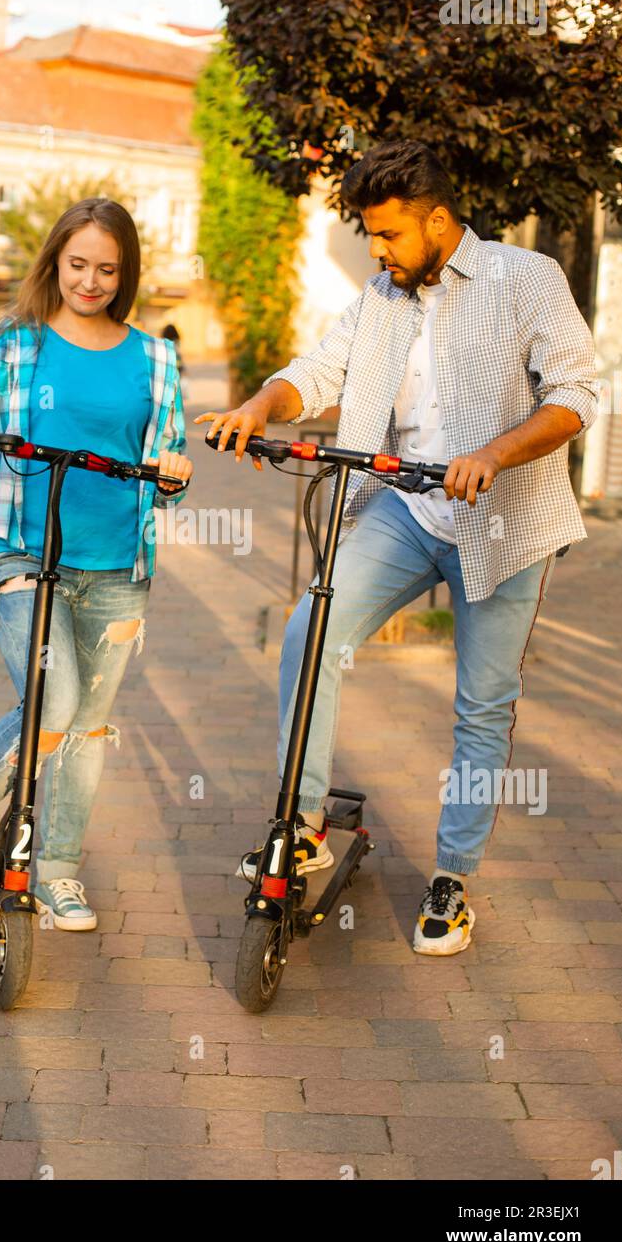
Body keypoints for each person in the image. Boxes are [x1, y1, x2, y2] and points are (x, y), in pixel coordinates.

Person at [197, 139, 597, 956]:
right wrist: (259, 405)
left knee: (482, 706)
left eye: (387, 236)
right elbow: (319, 368)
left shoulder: (527, 280)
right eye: (370, 238)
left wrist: (492, 453)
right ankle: (302, 826)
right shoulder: (381, 296)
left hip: (506, 519)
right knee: (314, 631)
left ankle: (453, 876)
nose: (375, 253)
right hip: (405, 509)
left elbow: (576, 395)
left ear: (440, 222)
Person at [0, 197, 192, 929]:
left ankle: (58, 873)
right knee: (52, 704)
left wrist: (176, 474)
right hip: (22, 552)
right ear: (55, 261)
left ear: (126, 275)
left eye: (107, 269)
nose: (90, 281)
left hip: (118, 565)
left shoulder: (155, 358)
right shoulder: (11, 344)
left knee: (87, 727)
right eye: (78, 265)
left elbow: (168, 467)